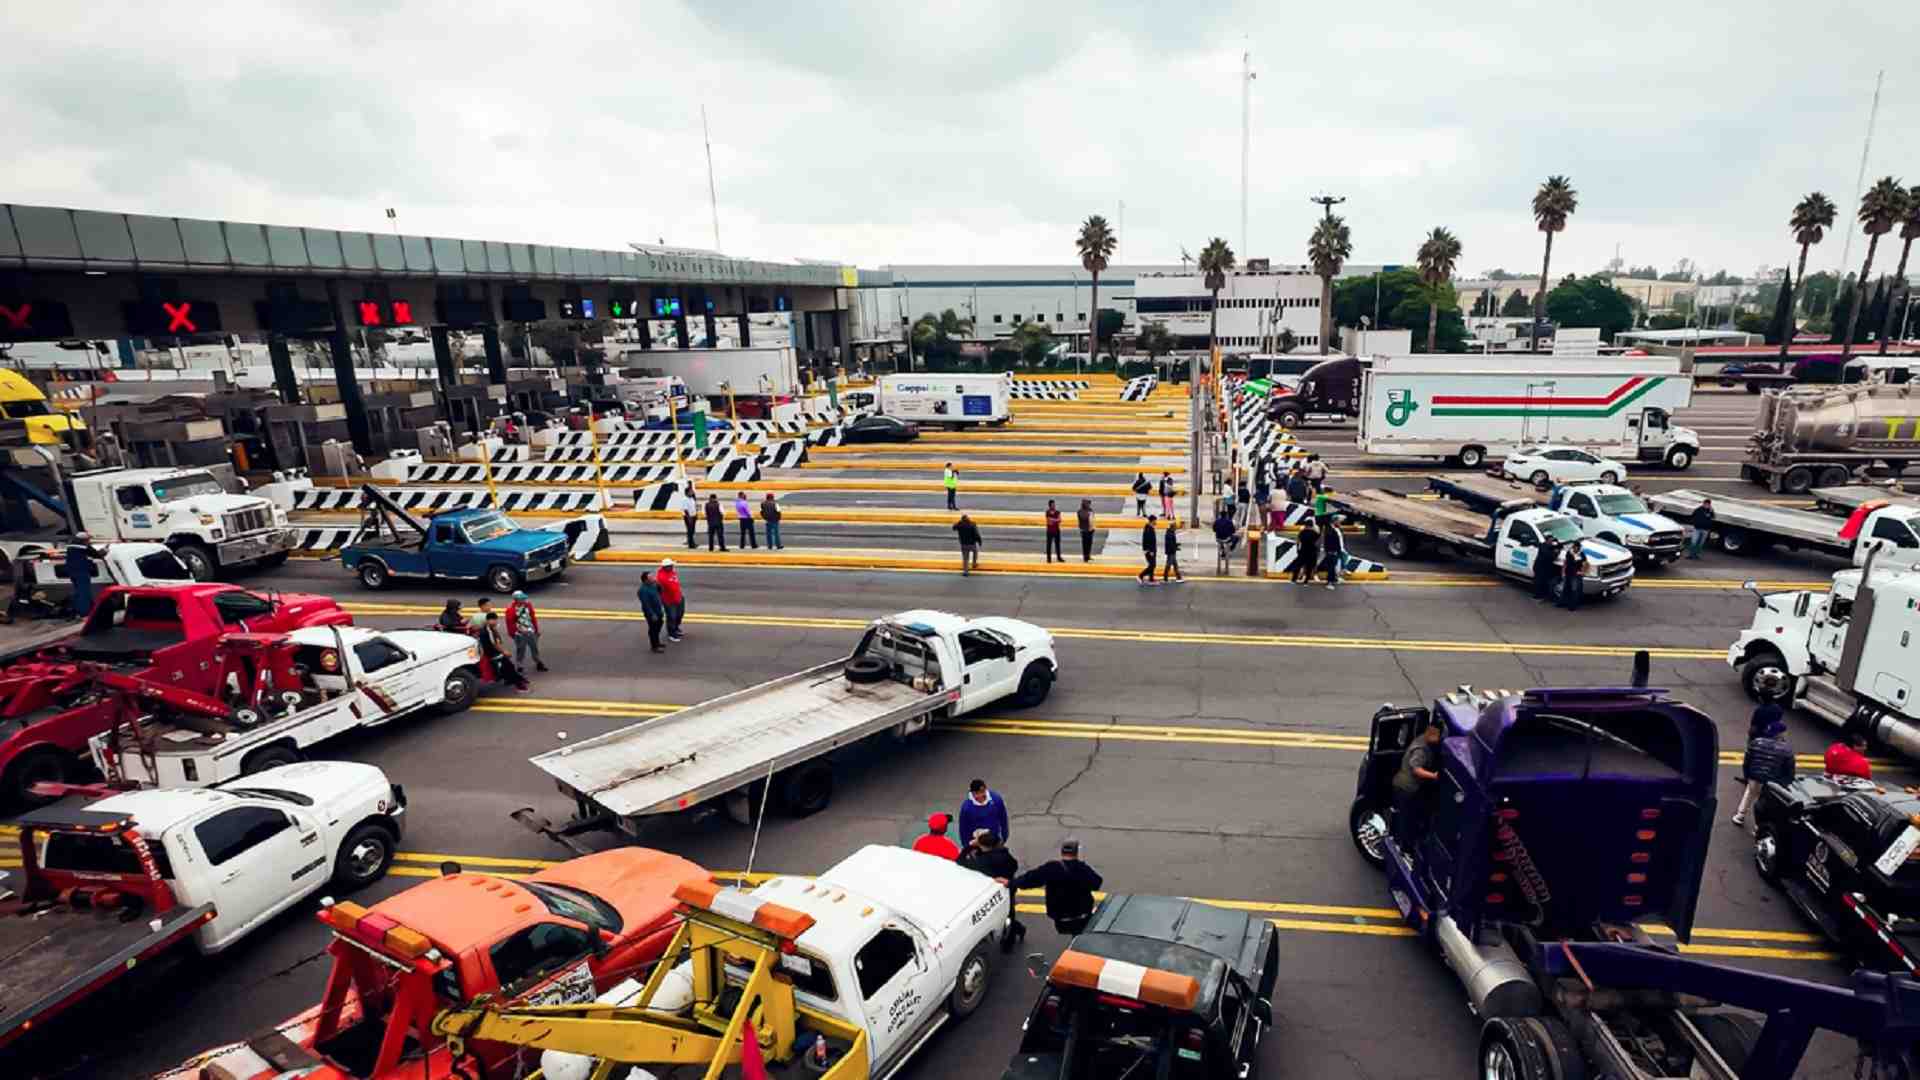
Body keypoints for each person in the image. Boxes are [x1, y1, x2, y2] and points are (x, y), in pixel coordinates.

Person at [1011, 837, 1103, 935]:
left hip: (1061, 920)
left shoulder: (1051, 868)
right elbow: (1097, 883)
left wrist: (1010, 883)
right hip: (1082, 917)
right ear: (1077, 852)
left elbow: (1029, 880)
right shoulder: (1082, 868)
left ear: (1061, 852)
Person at [958, 831, 1024, 951]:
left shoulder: (982, 861)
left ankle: (1014, 933)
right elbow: (1014, 865)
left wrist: (969, 847)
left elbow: (960, 862)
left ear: (981, 845)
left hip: (992, 893)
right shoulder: (1005, 854)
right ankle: (1012, 938)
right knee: (1009, 914)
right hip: (1008, 888)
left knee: (1002, 915)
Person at [1731, 704, 1792, 827]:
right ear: (1779, 734)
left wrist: (1747, 775)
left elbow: (1747, 761)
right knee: (1763, 803)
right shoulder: (1785, 749)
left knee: (1749, 793)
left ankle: (1740, 816)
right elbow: (1789, 768)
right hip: (1770, 781)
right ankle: (1758, 826)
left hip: (1754, 777)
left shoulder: (1756, 743)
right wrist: (1785, 783)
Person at [1391, 719, 1444, 847]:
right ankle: (1402, 845)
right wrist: (1434, 776)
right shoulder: (1421, 749)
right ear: (1431, 733)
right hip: (1406, 788)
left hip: (1411, 787)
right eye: (1438, 736)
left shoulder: (1423, 739)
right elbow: (1416, 769)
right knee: (1406, 818)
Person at [481, 612, 529, 691]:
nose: (495, 622)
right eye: (493, 620)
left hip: (495, 653)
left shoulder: (490, 628)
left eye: (495, 620)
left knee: (508, 666)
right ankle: (519, 685)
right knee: (508, 668)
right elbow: (495, 644)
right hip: (493, 654)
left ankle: (514, 680)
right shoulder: (488, 631)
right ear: (488, 620)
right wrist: (504, 652)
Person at [64, 533, 104, 618]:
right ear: (84, 540)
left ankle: (87, 609)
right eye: (88, 540)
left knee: (79, 592)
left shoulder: (71, 546)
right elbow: (97, 555)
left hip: (72, 572)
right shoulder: (84, 547)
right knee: (84, 593)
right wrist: (105, 551)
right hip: (81, 572)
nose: (89, 541)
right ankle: (84, 613)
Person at [505, 590, 548, 672]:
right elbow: (510, 623)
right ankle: (519, 664)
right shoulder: (510, 609)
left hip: (530, 630)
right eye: (522, 599)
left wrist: (536, 629)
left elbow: (532, 617)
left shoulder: (528, 605)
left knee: (534, 647)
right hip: (519, 633)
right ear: (516, 599)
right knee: (521, 649)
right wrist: (514, 633)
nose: (524, 600)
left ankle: (538, 662)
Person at [958, 778, 1010, 844]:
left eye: (982, 792)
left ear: (986, 789)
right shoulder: (966, 808)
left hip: (995, 839)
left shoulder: (996, 799)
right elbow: (964, 830)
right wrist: (967, 847)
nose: (980, 796)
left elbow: (1003, 818)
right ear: (972, 792)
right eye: (976, 793)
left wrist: (1004, 836)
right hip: (978, 843)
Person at [636, 571, 667, 653]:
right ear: (645, 580)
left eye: (653, 577)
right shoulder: (643, 590)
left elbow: (661, 592)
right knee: (653, 629)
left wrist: (658, 584)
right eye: (651, 577)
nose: (654, 578)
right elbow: (646, 605)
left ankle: (657, 642)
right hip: (652, 613)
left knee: (658, 626)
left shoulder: (653, 585)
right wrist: (652, 614)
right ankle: (654, 646)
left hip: (659, 611)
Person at [658, 558, 686, 641]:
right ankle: (671, 633)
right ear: (666, 567)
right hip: (669, 601)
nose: (673, 567)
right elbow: (660, 591)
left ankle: (676, 628)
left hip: (679, 597)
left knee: (679, 614)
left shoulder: (672, 572)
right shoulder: (661, 577)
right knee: (671, 617)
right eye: (671, 566)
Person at [1558, 544, 1587, 611]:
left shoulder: (1581, 554)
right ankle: (1562, 603)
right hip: (1569, 573)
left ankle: (1572, 606)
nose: (1576, 549)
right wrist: (1563, 572)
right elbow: (1566, 563)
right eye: (1575, 548)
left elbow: (1585, 563)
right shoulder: (1569, 553)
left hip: (1576, 575)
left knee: (1575, 590)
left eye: (1577, 548)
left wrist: (1582, 572)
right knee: (1566, 589)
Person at [1320, 517, 1345, 590]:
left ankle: (1334, 579)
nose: (1340, 523)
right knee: (1331, 567)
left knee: (1333, 566)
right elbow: (1328, 542)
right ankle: (1329, 582)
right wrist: (1330, 551)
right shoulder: (1329, 530)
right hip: (1332, 551)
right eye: (1338, 521)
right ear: (1334, 521)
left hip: (1336, 551)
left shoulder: (1334, 529)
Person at [1293, 517, 1320, 585]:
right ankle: (1306, 581)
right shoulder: (1315, 533)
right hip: (1311, 551)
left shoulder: (1302, 532)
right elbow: (1317, 543)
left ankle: (1294, 579)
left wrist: (1298, 550)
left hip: (1303, 551)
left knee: (1298, 565)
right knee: (1309, 567)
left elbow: (1298, 541)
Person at [1162, 516, 1183, 583]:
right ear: (1173, 527)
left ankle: (1179, 578)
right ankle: (1165, 578)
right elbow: (1170, 544)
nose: (1176, 528)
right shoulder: (1170, 534)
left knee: (1175, 565)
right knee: (1168, 565)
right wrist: (1176, 547)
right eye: (1175, 527)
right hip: (1171, 552)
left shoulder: (1170, 532)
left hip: (1172, 551)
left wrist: (1176, 545)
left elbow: (1172, 542)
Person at [1138, 515, 1159, 584]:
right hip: (1150, 551)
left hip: (1151, 550)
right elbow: (1148, 540)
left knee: (1152, 564)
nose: (1156, 522)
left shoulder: (1150, 527)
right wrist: (1150, 551)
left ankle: (1151, 579)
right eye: (1155, 520)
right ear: (1152, 521)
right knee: (1153, 565)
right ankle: (1141, 575)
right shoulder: (1148, 529)